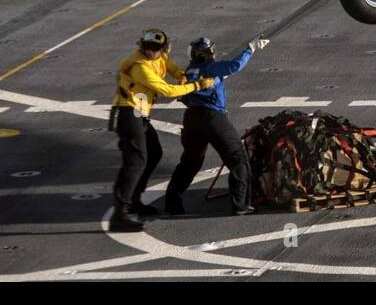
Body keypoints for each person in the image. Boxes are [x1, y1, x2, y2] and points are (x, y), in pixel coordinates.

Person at [109, 28, 214, 232]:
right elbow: (166, 90)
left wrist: (181, 74)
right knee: (135, 161)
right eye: (147, 47)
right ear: (142, 46)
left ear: (163, 48)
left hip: (140, 113)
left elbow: (171, 67)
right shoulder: (141, 67)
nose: (151, 51)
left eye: (156, 48)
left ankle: (134, 200)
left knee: (154, 153)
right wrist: (196, 85)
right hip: (128, 113)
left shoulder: (160, 57)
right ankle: (120, 213)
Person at [165, 34, 268, 216]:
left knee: (190, 162)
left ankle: (172, 202)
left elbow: (185, 96)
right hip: (213, 118)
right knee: (238, 159)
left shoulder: (188, 72)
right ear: (209, 53)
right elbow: (235, 65)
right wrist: (250, 49)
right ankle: (240, 204)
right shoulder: (212, 68)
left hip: (191, 119)